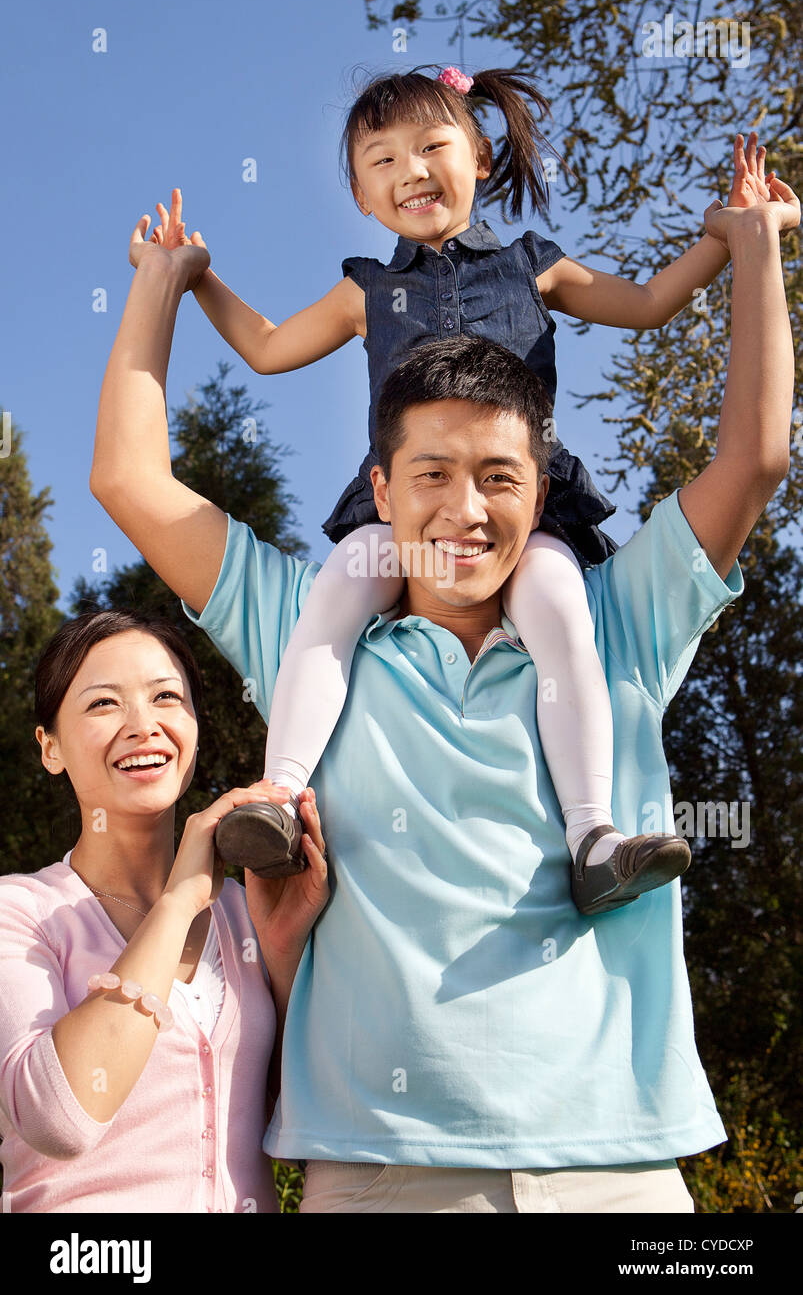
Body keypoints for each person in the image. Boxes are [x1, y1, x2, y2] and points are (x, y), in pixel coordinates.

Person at [90, 156, 797, 1212]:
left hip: (613, 1167)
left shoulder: (613, 621)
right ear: (379, 489)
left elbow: (751, 461)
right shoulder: (306, 632)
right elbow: (128, 482)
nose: (463, 510)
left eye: (498, 479)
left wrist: (754, 247)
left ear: (541, 487)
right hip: (379, 1168)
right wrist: (161, 280)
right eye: (430, 476)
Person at [144, 66, 766, 914]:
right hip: (403, 513)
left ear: (476, 153)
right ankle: (278, 800)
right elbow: (265, 348)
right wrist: (193, 275)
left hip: (521, 508)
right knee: (333, 600)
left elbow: (651, 303)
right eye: (382, 158)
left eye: (433, 146)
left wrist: (729, 238)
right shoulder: (365, 289)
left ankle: (592, 836)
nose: (412, 170)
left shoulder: (529, 267)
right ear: (362, 196)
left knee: (557, 608)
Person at [0, 610, 328, 1213]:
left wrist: (280, 948)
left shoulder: (242, 908)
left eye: (167, 697)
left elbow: (299, 1132)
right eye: (104, 705)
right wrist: (178, 904)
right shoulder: (17, 913)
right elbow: (60, 1120)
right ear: (50, 748)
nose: (142, 726)